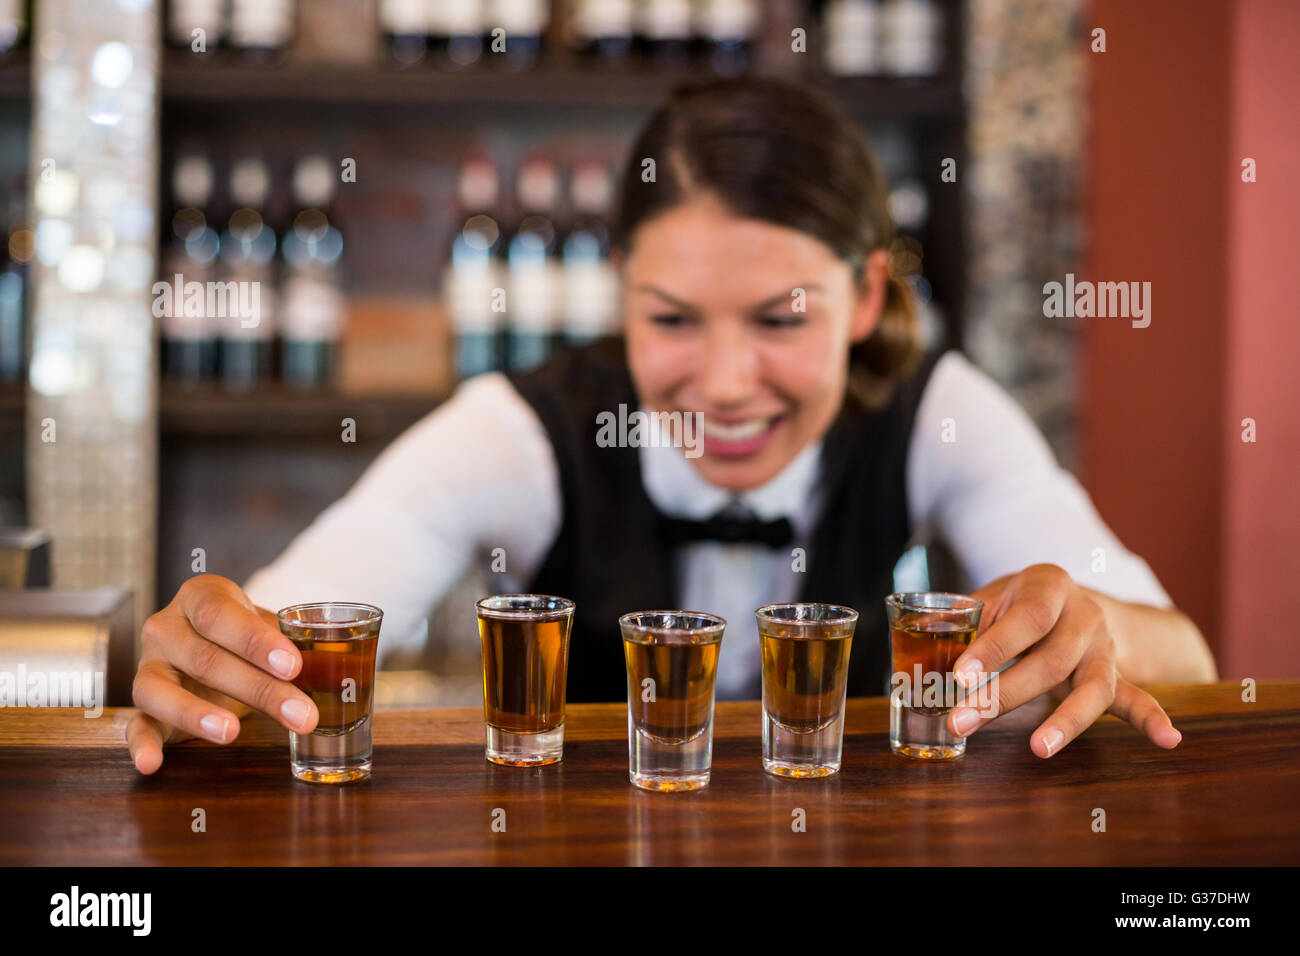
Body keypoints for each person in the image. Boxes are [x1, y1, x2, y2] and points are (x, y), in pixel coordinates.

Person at [126, 76, 1216, 775]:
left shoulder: (935, 410)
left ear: (868, 299)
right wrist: (218, 654)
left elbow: (1188, 658)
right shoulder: (525, 425)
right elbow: (287, 622)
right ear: (620, 298)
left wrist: (1100, 633)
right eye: (672, 319)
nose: (727, 383)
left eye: (783, 317)